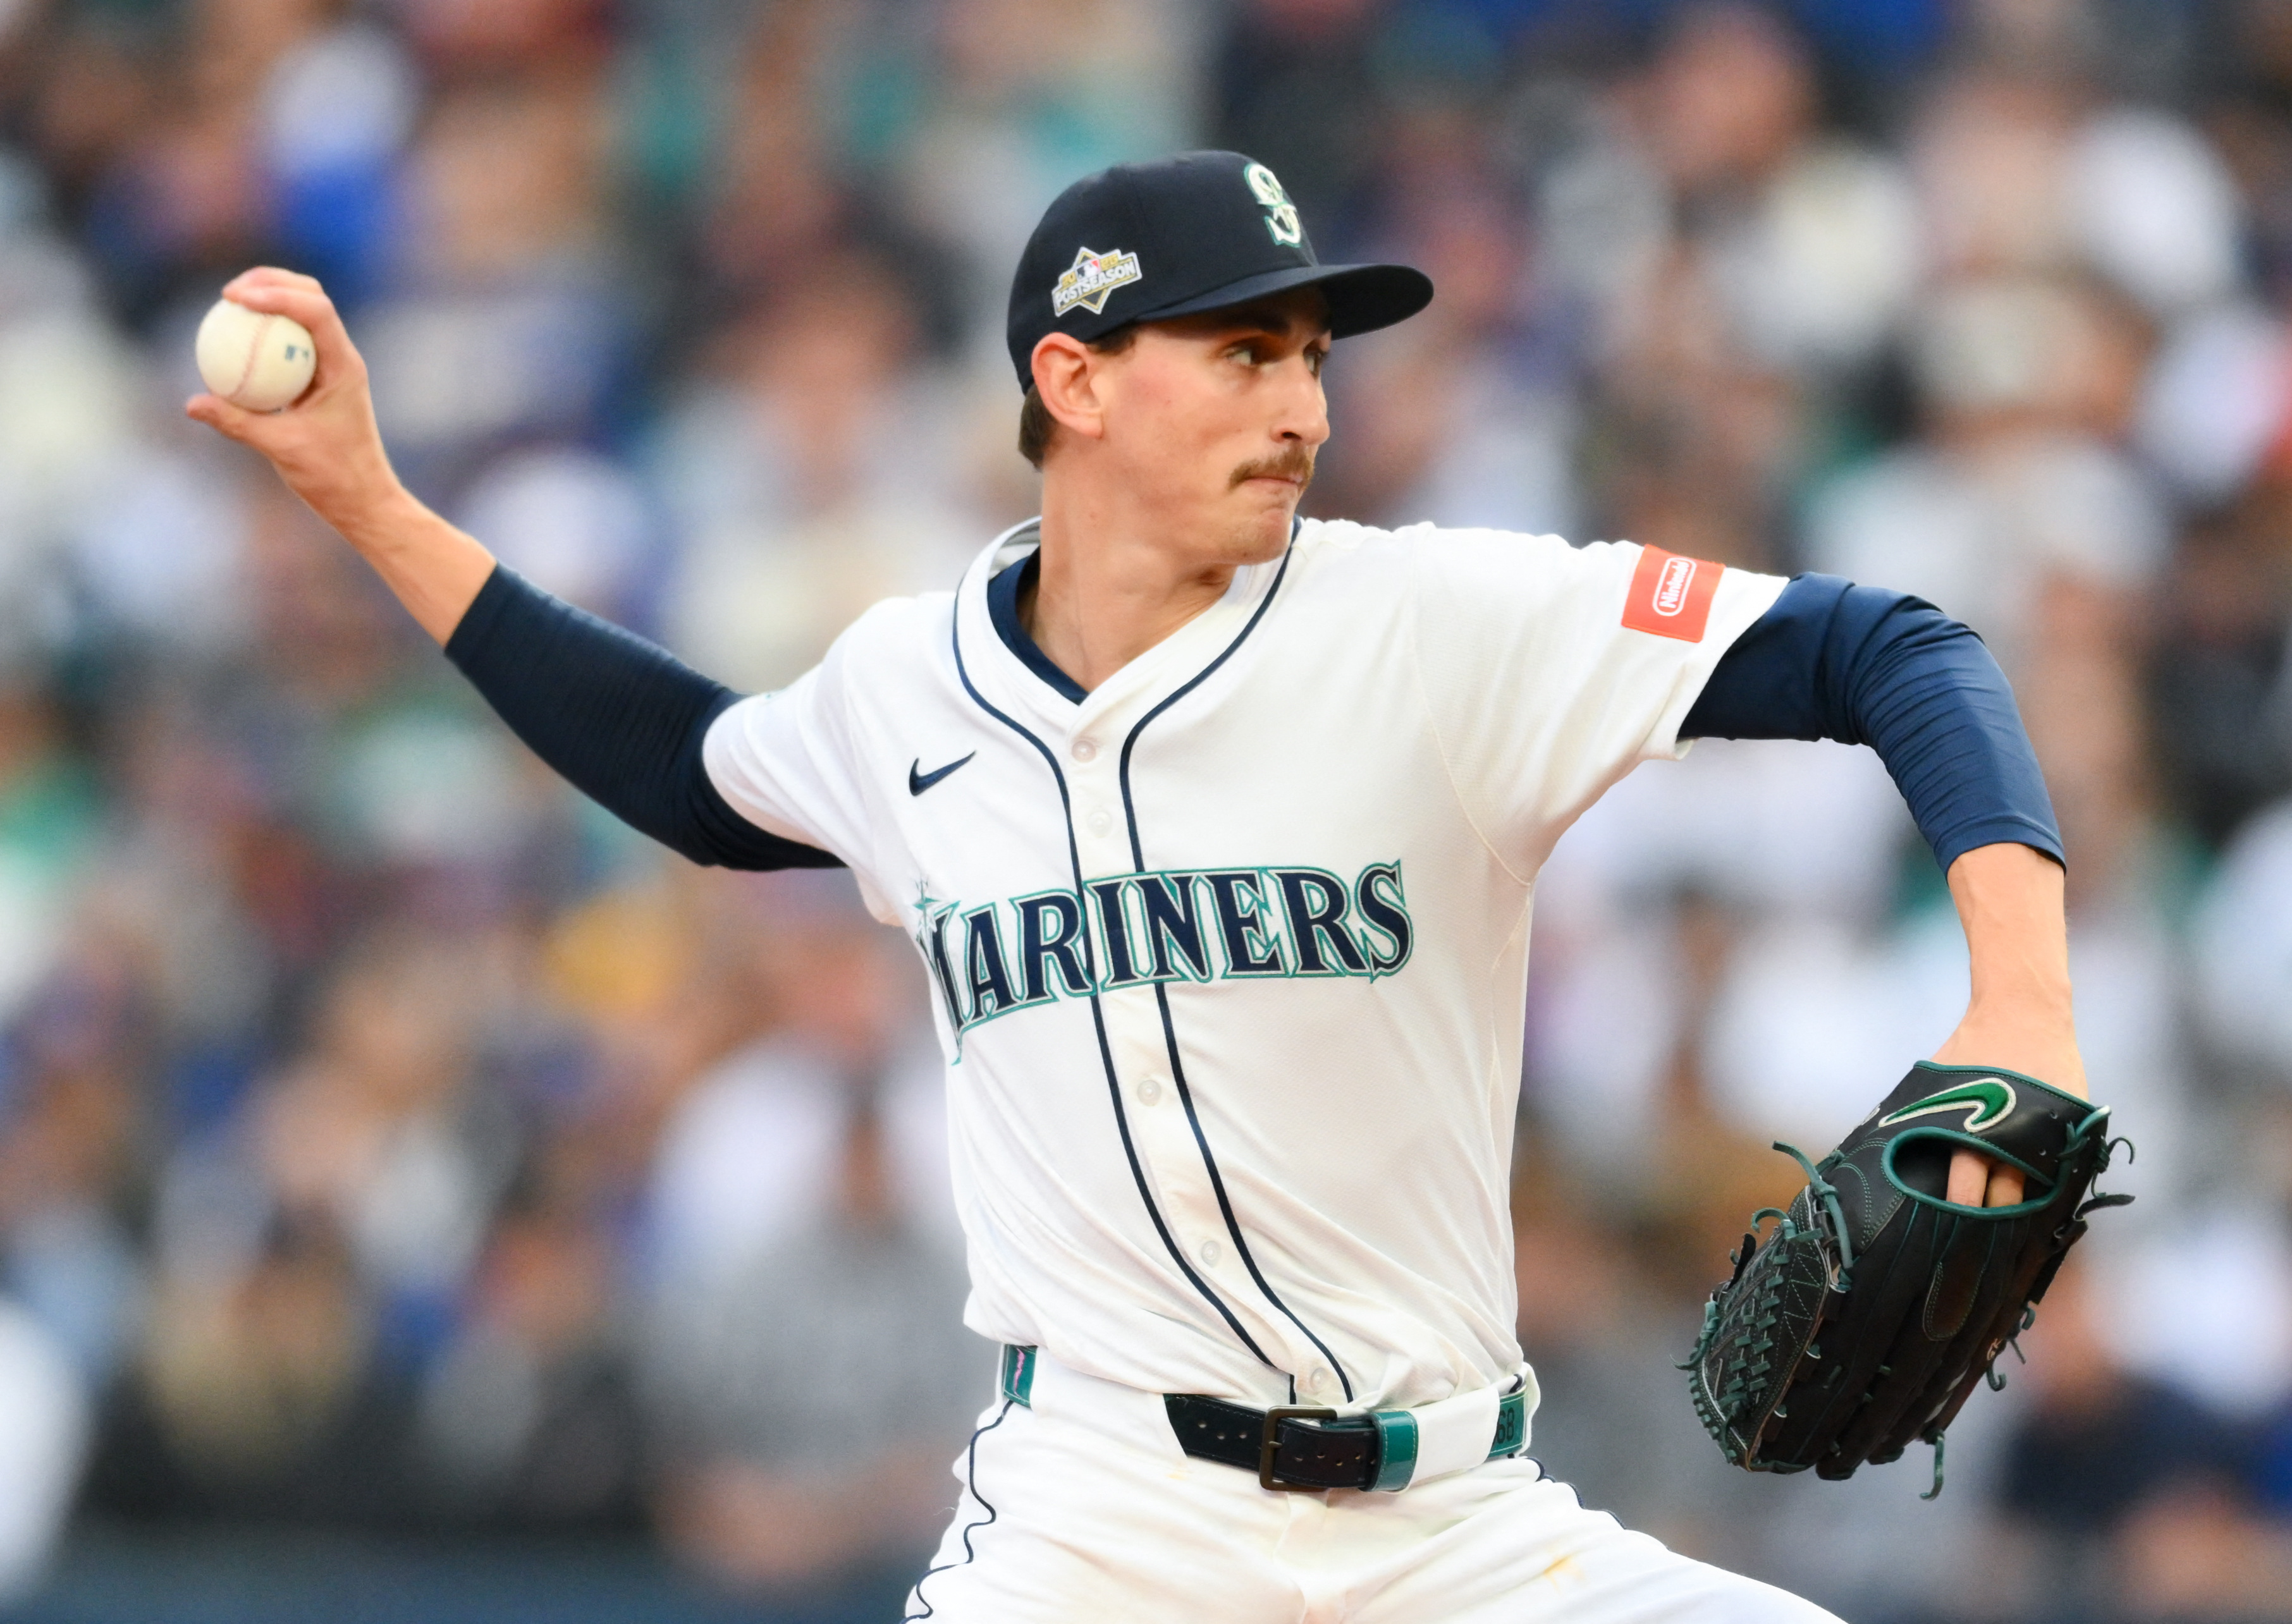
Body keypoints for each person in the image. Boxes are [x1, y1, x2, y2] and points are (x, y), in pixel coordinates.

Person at [188, 150, 2087, 1622]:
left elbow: (1895, 650)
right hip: (1100, 1529)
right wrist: (369, 499)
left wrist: (2021, 1001)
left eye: (1314, 356)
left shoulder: (1433, 624)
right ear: (1074, 378)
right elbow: (689, 773)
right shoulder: (908, 690)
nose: (1306, 407)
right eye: (1246, 353)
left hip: (1460, 1529)